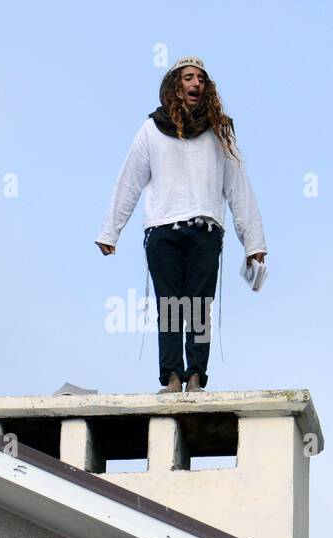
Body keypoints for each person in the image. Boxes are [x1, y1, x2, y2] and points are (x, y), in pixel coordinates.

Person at [95, 56, 267, 393]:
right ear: (177, 85)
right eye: (189, 77)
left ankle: (196, 377)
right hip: (163, 230)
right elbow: (129, 180)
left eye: (202, 79)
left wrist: (254, 243)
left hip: (205, 230)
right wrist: (110, 229)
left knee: (200, 306)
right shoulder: (151, 130)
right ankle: (172, 376)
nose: (197, 83)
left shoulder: (220, 131)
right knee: (170, 304)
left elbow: (238, 187)